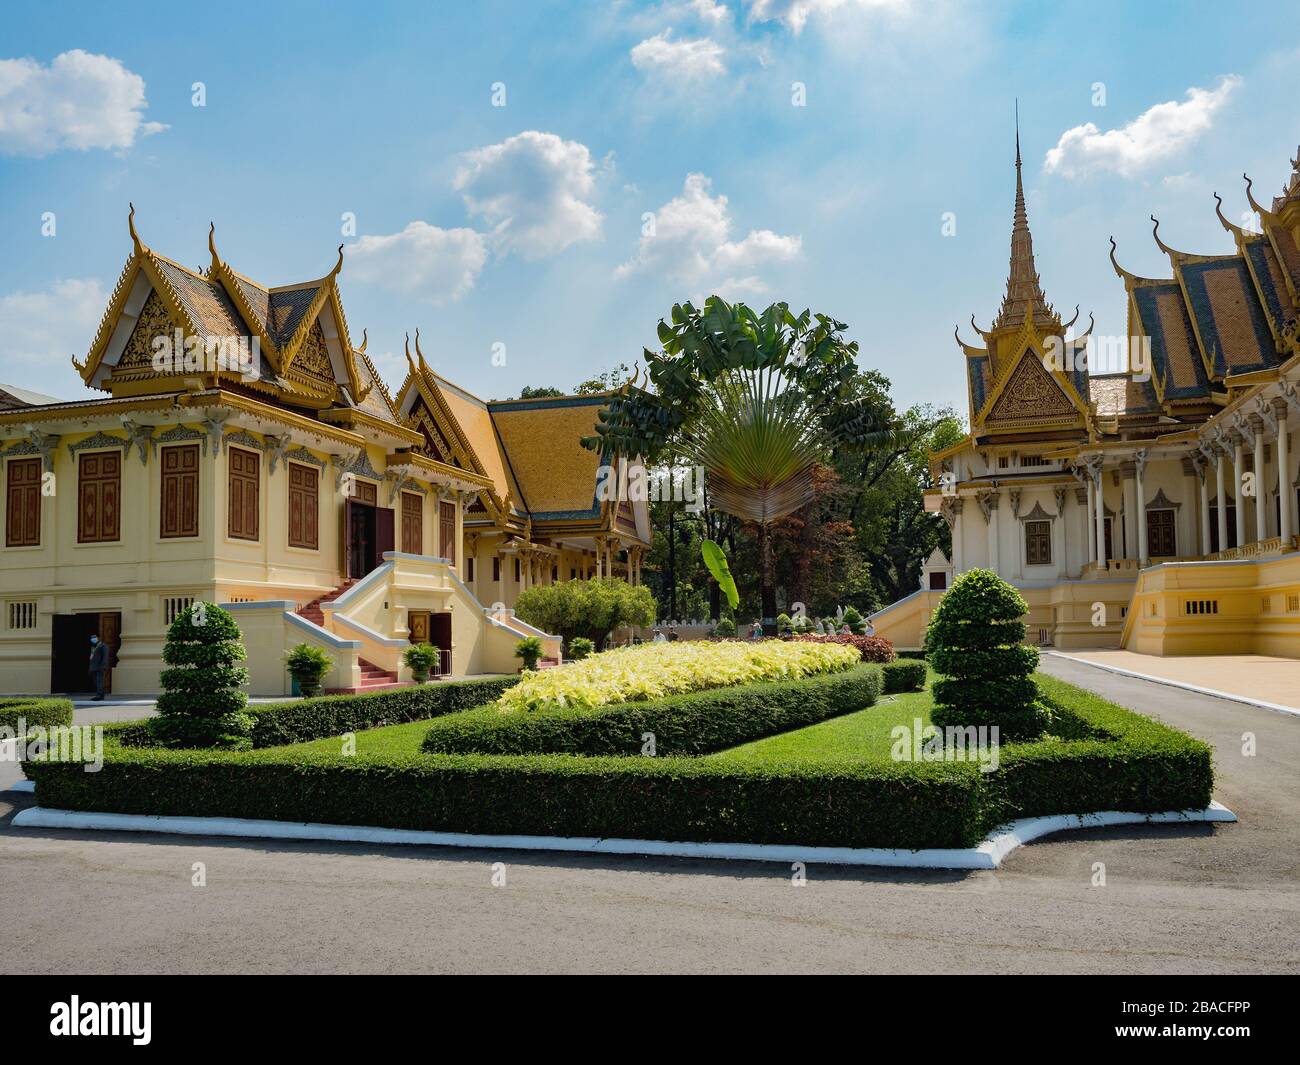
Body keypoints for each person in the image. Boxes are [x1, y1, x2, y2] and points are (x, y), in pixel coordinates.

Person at [88, 634, 110, 701]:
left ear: (98, 638)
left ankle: (99, 695)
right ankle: (100, 695)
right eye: (91, 638)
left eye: (94, 638)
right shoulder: (93, 647)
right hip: (93, 667)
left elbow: (105, 657)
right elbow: (92, 657)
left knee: (99, 681)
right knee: (96, 682)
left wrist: (103, 666)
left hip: (100, 667)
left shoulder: (103, 646)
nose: (93, 639)